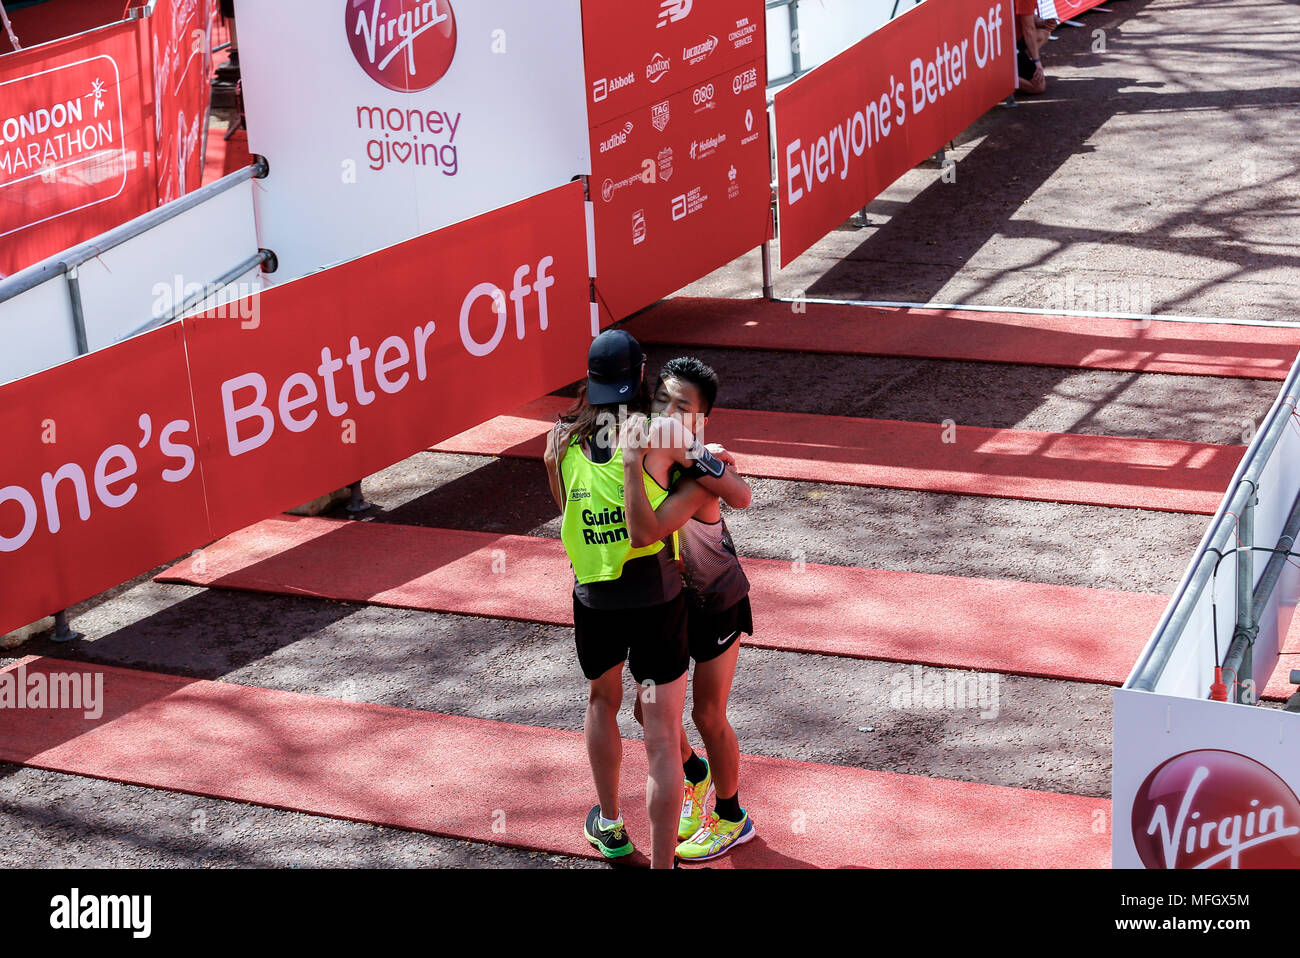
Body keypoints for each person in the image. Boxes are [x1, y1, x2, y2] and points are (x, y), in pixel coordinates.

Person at [542, 330, 748, 869]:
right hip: (659, 596)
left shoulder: (561, 436)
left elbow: (564, 509)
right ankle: (669, 853)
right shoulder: (661, 436)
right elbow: (657, 527)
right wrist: (706, 460)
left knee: (607, 703)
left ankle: (618, 821)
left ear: (588, 380)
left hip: (603, 598)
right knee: (661, 730)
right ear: (641, 379)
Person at [625, 357, 755, 862]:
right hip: (669, 603)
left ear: (700, 421)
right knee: (646, 710)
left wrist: (706, 460)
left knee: (706, 713)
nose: (667, 413)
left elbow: (737, 497)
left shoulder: (699, 471)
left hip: (717, 600)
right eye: (661, 401)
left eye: (682, 408)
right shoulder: (653, 453)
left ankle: (731, 817)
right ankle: (695, 775)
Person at [1015, 0, 1051, 95]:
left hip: (1009, 39)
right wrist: (1037, 62)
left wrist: (1038, 21)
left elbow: (1025, 16)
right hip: (1007, 45)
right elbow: (1028, 29)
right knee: (1038, 86)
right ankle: (998, 79)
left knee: (1043, 34)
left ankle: (1018, 65)